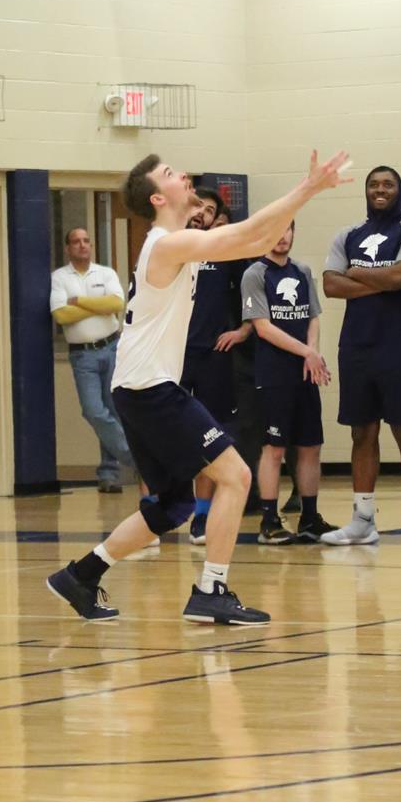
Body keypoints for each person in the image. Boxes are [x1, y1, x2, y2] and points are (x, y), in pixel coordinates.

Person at [46, 147, 349, 626]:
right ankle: (212, 590)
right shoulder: (165, 245)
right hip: (150, 388)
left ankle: (81, 575)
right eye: (170, 173)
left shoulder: (179, 240)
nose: (183, 174)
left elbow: (257, 240)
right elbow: (252, 234)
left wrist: (302, 197)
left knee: (173, 505)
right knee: (237, 476)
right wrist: (310, 187)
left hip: (138, 387)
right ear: (157, 198)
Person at [320, 166, 401, 546]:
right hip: (356, 345)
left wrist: (357, 273)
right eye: (374, 184)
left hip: (399, 344)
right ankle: (363, 520)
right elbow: (330, 285)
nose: (380, 190)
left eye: (388, 184)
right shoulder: (347, 234)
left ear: (399, 190)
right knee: (362, 432)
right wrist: (379, 280)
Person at [241, 222, 329, 544]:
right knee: (274, 448)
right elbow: (262, 328)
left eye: (288, 229)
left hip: (304, 372)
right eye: (276, 229)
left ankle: (309, 518)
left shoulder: (303, 271)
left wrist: (313, 355)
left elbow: (313, 317)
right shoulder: (255, 274)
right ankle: (269, 521)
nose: (282, 236)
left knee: (310, 445)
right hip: (274, 374)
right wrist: (307, 351)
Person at [182, 183, 250, 544]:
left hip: (211, 356)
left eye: (210, 210)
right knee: (158, 436)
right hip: (170, 358)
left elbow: (253, 293)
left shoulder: (225, 253)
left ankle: (202, 517)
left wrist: (243, 330)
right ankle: (151, 510)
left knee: (209, 435)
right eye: (198, 207)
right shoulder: (167, 247)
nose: (203, 214)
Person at [48, 226, 133, 493]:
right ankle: (136, 458)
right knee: (94, 411)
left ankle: (109, 473)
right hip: (82, 354)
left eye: (86, 241)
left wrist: (80, 302)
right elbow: (61, 316)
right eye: (76, 242)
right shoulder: (60, 278)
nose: (82, 245)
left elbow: (116, 306)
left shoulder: (105, 273)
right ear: (67, 248)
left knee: (114, 409)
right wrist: (97, 304)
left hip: (111, 348)